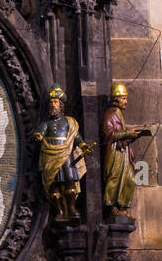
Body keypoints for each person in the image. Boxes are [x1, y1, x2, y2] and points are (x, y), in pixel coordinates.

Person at [33, 85, 91, 222]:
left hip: (66, 155)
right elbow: (40, 132)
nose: (53, 105)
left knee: (70, 184)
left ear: (61, 105)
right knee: (54, 187)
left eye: (55, 102)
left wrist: (82, 145)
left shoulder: (69, 122)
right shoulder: (46, 123)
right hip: (50, 155)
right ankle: (59, 211)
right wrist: (38, 136)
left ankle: (71, 208)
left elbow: (76, 137)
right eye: (51, 102)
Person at [101, 82, 152, 217]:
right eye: (123, 98)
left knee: (130, 177)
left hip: (124, 152)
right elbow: (108, 134)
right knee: (115, 177)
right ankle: (112, 206)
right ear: (116, 99)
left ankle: (122, 205)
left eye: (126, 98)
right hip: (115, 153)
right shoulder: (109, 115)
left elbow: (121, 134)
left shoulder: (119, 114)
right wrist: (127, 133)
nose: (126, 102)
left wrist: (133, 135)